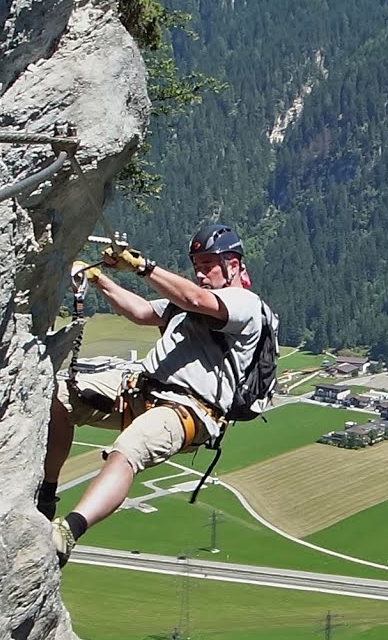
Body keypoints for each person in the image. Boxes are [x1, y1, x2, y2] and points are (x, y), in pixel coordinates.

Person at [38, 223, 270, 567]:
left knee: (126, 452)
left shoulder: (245, 304)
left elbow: (195, 298)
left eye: (209, 265)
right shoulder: (186, 303)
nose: (201, 273)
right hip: (142, 389)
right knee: (55, 394)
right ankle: (46, 494)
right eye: (198, 266)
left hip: (189, 408)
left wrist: (142, 267)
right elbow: (141, 312)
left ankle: (69, 532)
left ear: (233, 266)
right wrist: (98, 279)